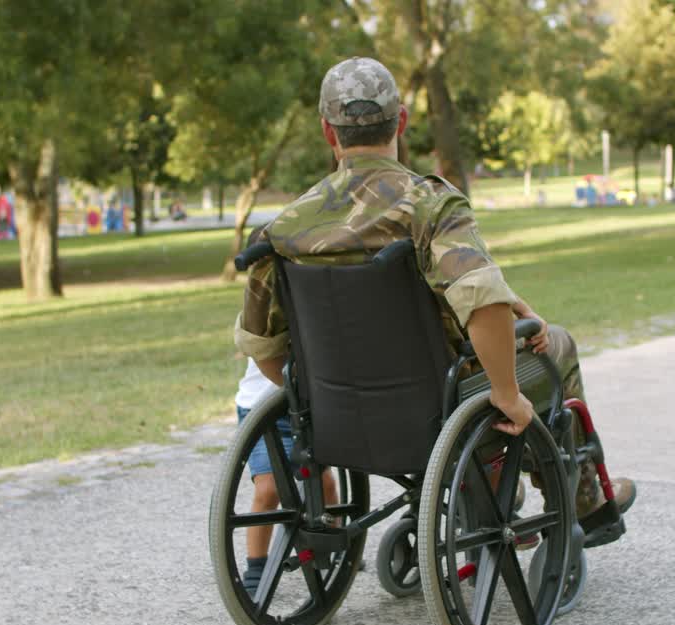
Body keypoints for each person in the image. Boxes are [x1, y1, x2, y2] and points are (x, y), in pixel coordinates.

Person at [233, 57, 635, 563]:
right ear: (400, 121)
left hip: (335, 418)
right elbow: (482, 302)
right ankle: (584, 504)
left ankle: (497, 494)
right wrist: (508, 396)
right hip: (438, 406)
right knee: (556, 346)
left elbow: (264, 352)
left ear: (326, 132)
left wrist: (322, 392)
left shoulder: (285, 228)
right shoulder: (428, 206)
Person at [234, 354, 343, 594]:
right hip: (262, 408)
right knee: (268, 489)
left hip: (304, 407)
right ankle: (256, 567)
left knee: (324, 483)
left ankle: (334, 543)